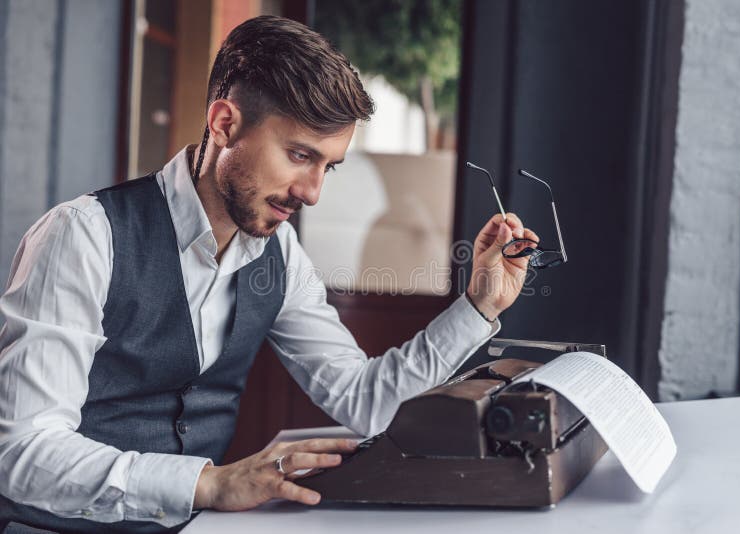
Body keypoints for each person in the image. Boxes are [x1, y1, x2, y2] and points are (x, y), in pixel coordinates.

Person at [0, 15, 538, 533]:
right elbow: (21, 452)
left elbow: (364, 399)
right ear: (224, 123)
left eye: (328, 166)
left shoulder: (279, 253)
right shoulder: (83, 236)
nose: (312, 192)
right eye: (299, 155)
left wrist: (478, 306)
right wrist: (207, 484)